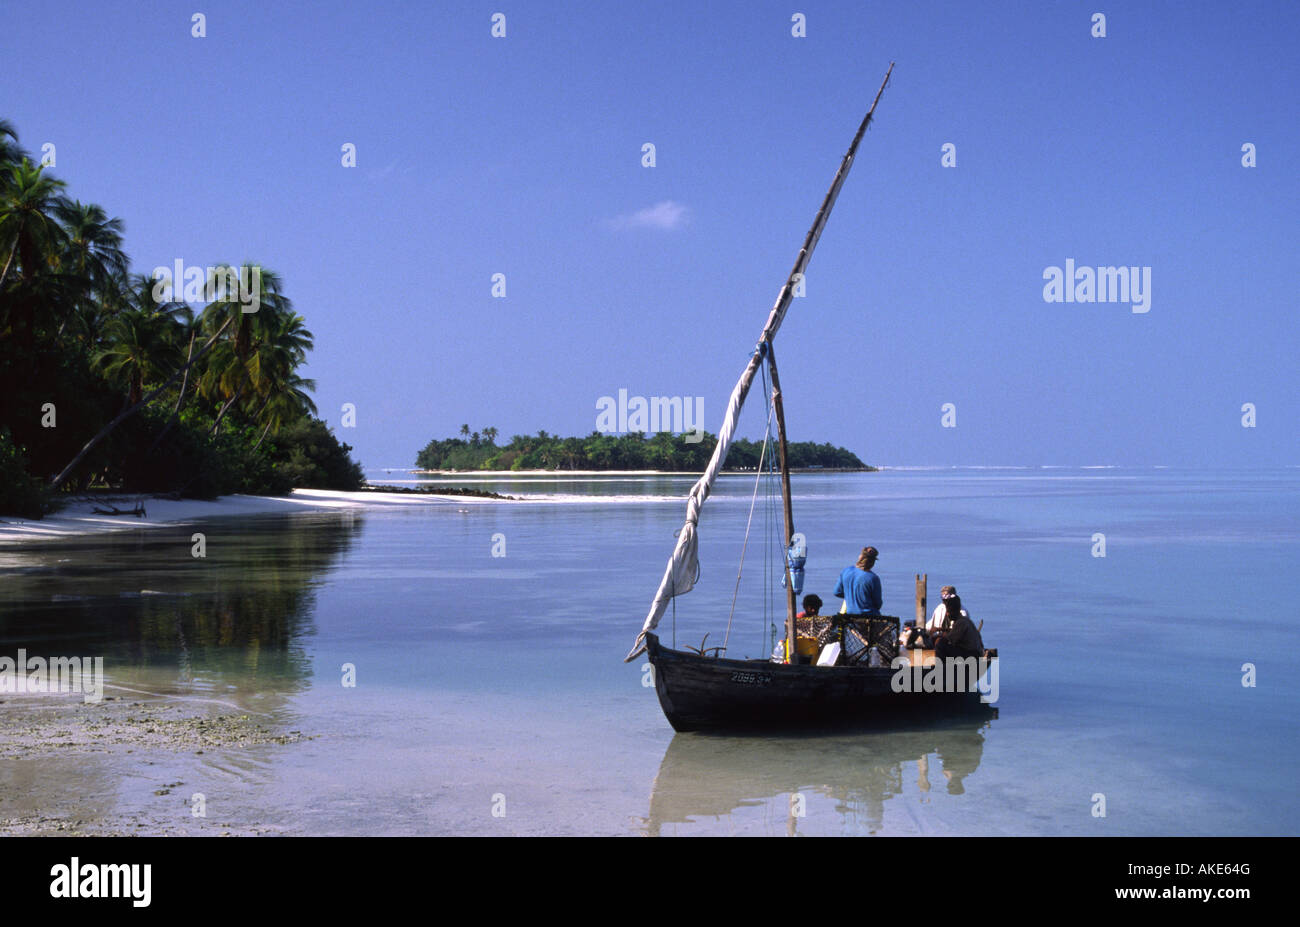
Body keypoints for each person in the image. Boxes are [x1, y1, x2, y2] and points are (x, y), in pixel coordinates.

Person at [833, 546, 882, 616]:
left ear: (860, 557)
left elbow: (837, 592)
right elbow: (878, 604)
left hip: (850, 616)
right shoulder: (873, 578)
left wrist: (850, 596)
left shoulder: (846, 571)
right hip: (870, 616)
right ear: (872, 562)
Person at [933, 595, 984, 660]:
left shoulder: (961, 623)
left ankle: (942, 667)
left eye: (948, 611)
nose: (947, 614)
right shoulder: (965, 620)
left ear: (954, 611)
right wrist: (940, 630)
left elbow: (949, 639)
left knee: (940, 644)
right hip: (975, 653)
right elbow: (953, 632)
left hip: (972, 656)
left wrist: (937, 637)